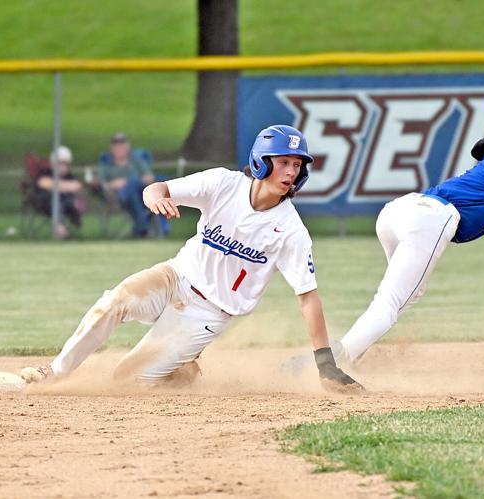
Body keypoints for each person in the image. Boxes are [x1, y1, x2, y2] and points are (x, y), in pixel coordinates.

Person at [20, 125, 363, 393]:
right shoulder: (223, 184)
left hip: (207, 313)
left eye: (297, 165)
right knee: (114, 302)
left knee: (125, 381)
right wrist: (155, 199)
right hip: (175, 277)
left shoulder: (290, 231)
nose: (291, 171)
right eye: (283, 162)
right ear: (262, 160)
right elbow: (156, 189)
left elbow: (308, 297)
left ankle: (182, 371)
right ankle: (55, 371)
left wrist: (325, 363)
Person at [284, 109, 484, 370]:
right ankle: (331, 361)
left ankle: (348, 351)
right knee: (392, 302)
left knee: (403, 297)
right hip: (431, 218)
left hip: (399, 213)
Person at [98, 132, 170, 237]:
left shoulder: (136, 161)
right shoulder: (107, 165)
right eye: (116, 146)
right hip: (117, 199)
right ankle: (145, 229)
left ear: (128, 146)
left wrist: (130, 182)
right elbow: (102, 184)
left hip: (141, 194)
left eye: (122, 145)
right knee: (134, 194)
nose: (120, 148)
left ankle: (143, 229)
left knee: (135, 189)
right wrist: (114, 184)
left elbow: (149, 177)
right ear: (112, 148)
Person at [27, 146, 86, 239]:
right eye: (61, 163)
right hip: (45, 203)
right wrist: (65, 186)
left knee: (71, 202)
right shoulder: (45, 172)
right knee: (56, 202)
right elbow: (44, 183)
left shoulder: (69, 176)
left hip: (65, 203)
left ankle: (74, 219)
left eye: (66, 164)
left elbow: (77, 185)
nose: (63, 166)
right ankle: (61, 230)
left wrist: (58, 186)